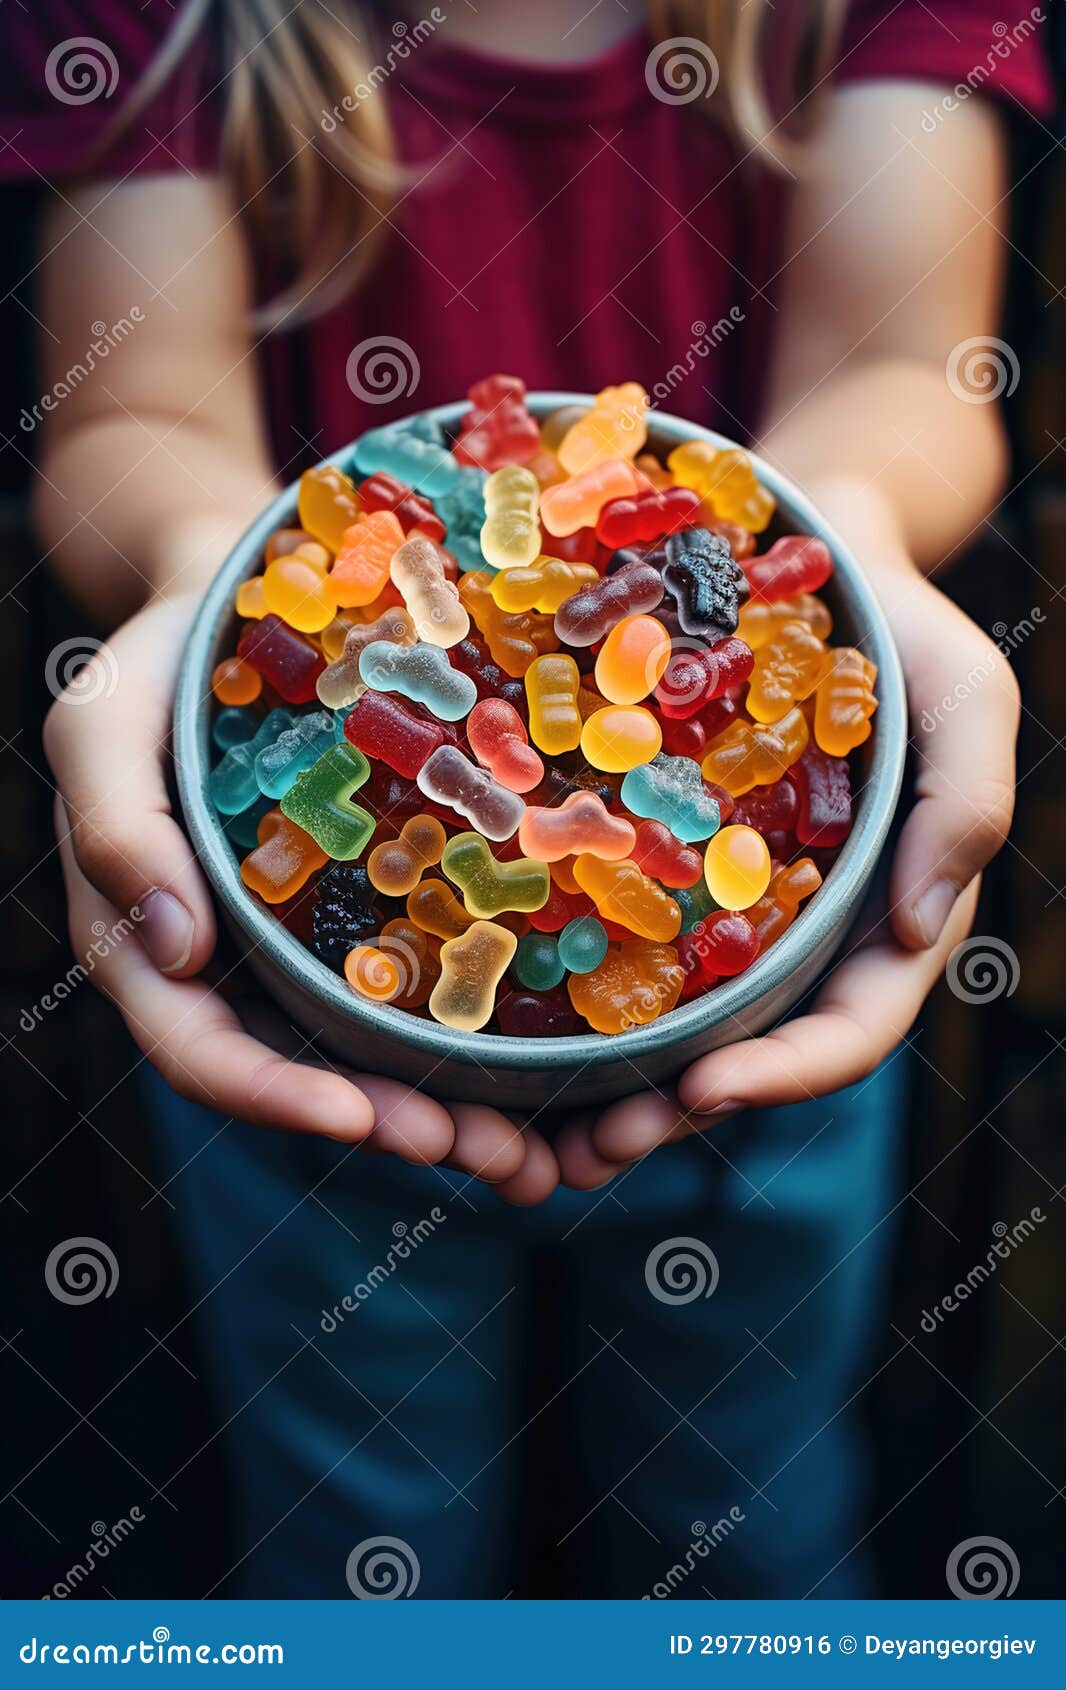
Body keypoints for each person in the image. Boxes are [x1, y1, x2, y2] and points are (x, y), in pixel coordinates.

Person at [2, 0, 1050, 1597]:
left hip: (770, 988)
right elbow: (132, 412)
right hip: (301, 1010)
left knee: (746, 1515)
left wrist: (844, 535)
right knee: (359, 1529)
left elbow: (905, 358)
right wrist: (198, 588)